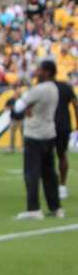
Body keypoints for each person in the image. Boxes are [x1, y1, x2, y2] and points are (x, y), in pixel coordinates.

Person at [11, 60, 63, 220]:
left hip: (34, 134)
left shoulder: (39, 89)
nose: (37, 72)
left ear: (47, 72)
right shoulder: (54, 88)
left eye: (40, 70)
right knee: (49, 173)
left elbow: (18, 107)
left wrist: (23, 102)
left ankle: (33, 208)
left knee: (31, 173)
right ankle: (55, 207)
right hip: (49, 133)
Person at [52, 71, 77, 201]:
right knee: (62, 155)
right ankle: (62, 187)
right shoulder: (67, 88)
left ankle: (53, 187)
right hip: (63, 125)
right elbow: (76, 105)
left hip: (48, 125)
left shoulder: (46, 87)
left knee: (47, 158)